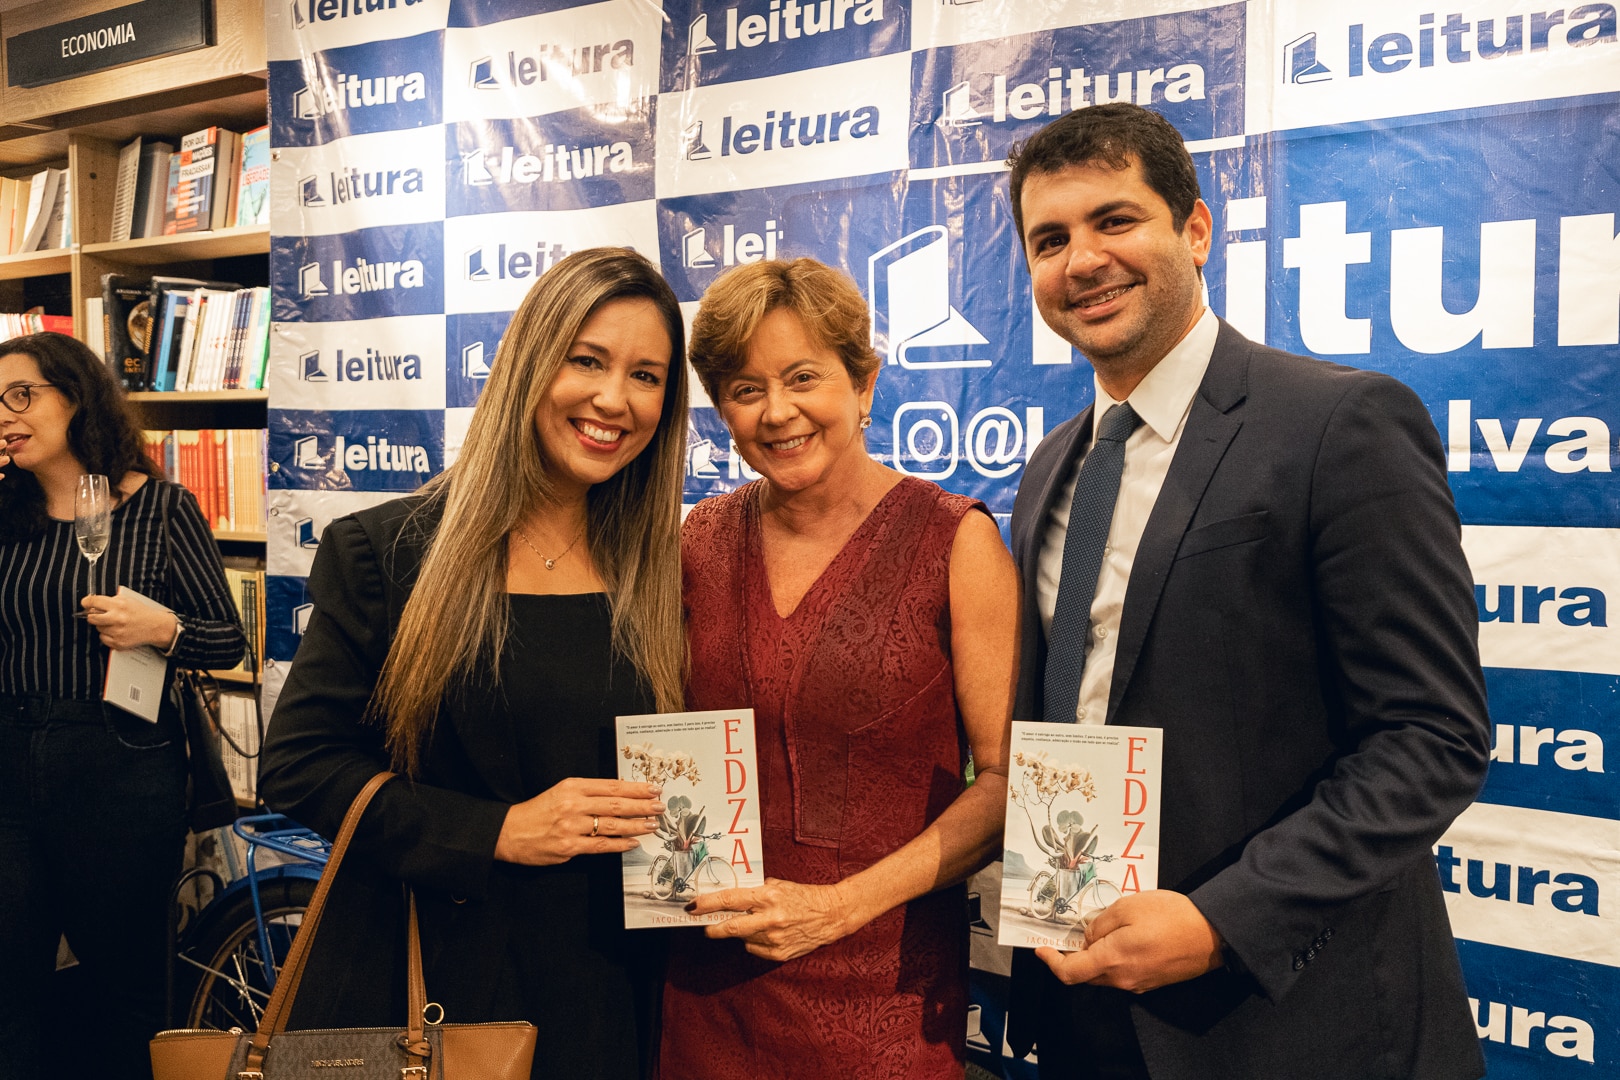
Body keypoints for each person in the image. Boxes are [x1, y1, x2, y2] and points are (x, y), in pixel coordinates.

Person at [1003, 103, 1491, 1079]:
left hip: (1286, 1022)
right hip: (1084, 1006)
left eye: (1115, 220)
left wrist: (1225, 922)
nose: (1082, 260)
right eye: (1049, 239)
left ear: (1195, 228)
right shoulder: (1051, 466)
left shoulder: (1339, 424)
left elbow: (1431, 738)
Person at [257, 248, 689, 1080]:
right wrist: (498, 831)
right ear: (530, 363)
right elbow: (299, 764)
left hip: (609, 989)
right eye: (588, 360)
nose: (614, 399)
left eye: (646, 376)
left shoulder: (661, 570)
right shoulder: (388, 551)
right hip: (436, 985)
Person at [661, 258, 1019, 1079]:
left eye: (803, 377)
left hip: (884, 999)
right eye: (746, 389)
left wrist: (837, 909)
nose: (777, 411)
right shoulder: (695, 543)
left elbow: (1006, 783)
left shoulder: (955, 541)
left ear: (864, 384)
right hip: (706, 994)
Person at [0, 331, 247, 1080]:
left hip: (119, 766)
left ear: (77, 399)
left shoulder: (161, 507)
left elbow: (228, 639)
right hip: (11, 764)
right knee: (12, 985)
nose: (5, 415)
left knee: (126, 987)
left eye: (21, 395)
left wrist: (162, 629)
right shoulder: (6, 512)